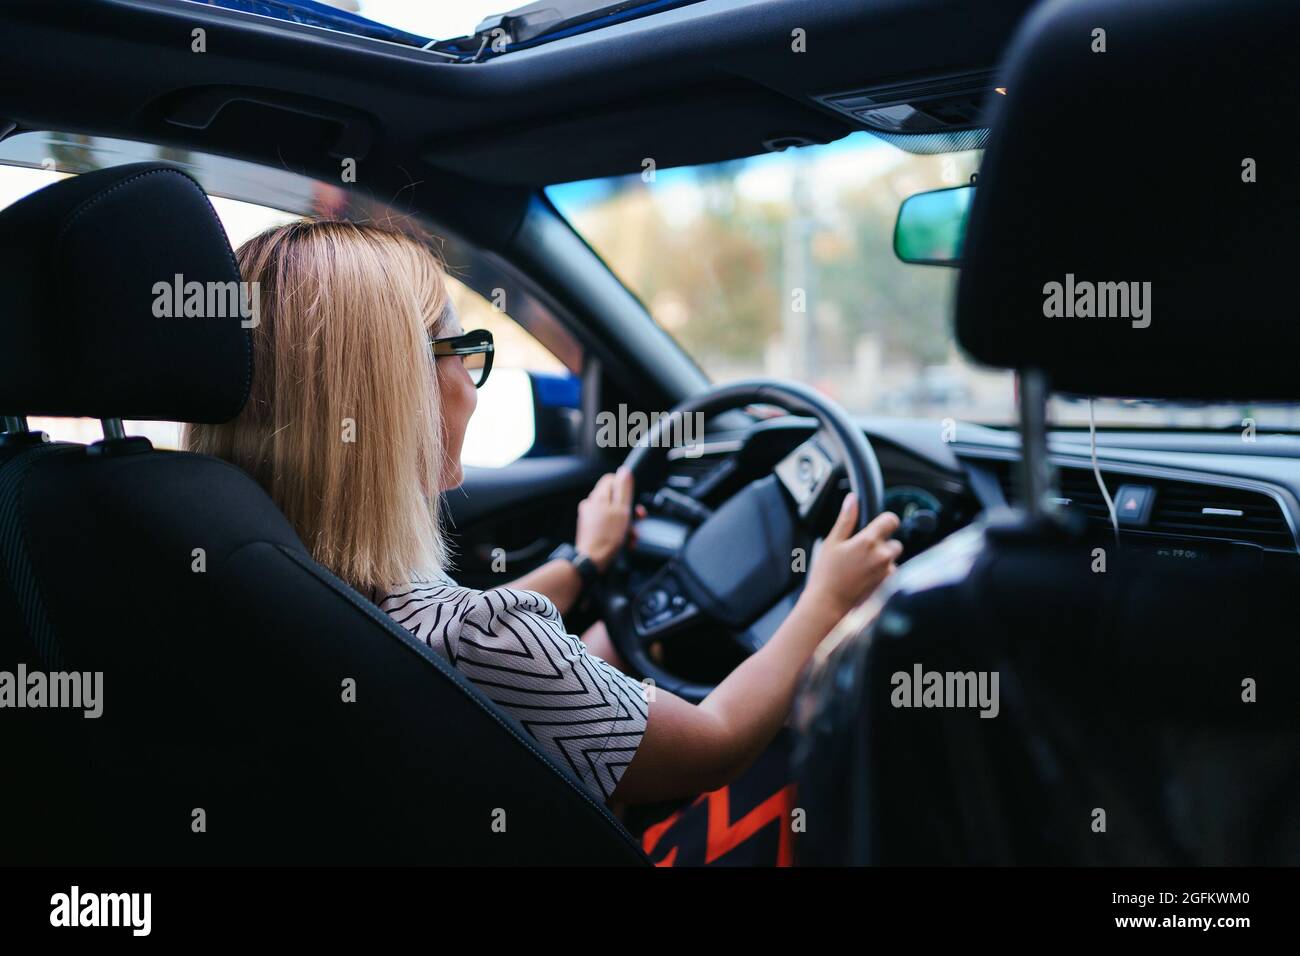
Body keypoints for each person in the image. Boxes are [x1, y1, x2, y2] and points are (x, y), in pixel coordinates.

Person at [184, 220, 901, 807]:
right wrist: (825, 599)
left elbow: (496, 664)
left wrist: (587, 563)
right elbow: (712, 743)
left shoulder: (226, 571)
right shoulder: (481, 642)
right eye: (461, 350)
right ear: (396, 394)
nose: (472, 382)